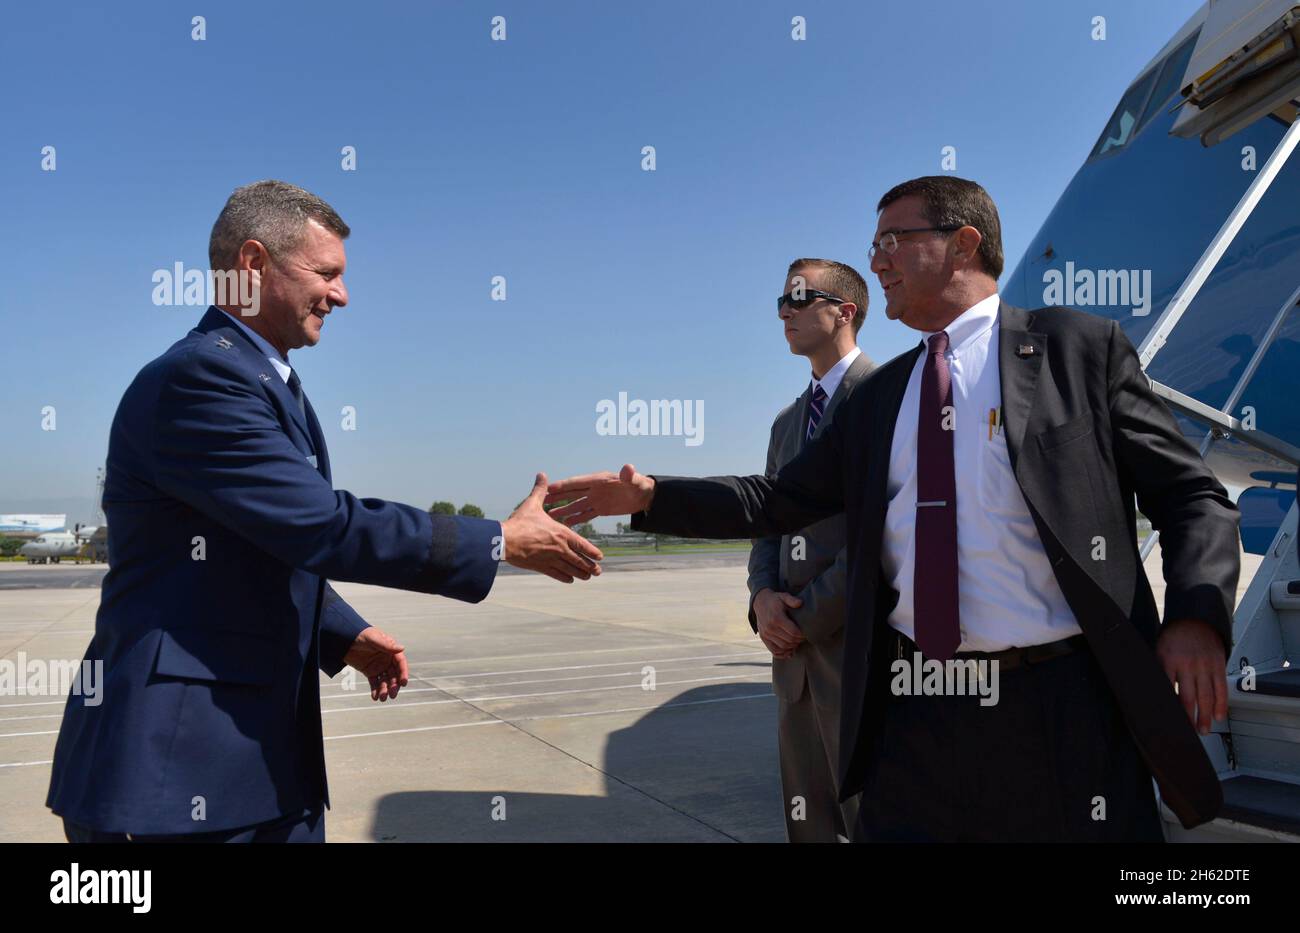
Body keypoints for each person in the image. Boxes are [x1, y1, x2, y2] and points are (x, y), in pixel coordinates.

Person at [545, 176, 1240, 842]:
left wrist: (1195, 616)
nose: (875, 262)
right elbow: (777, 499)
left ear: (963, 244)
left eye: (891, 242)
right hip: (913, 712)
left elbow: (1191, 495)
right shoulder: (884, 397)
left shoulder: (1077, 349)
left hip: (1060, 709)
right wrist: (652, 497)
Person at [48, 180, 601, 843]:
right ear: (253, 266)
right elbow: (318, 523)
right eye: (326, 273)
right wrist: (494, 541)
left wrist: (340, 632)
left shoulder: (258, 378)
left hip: (254, 772)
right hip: (179, 775)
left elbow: (259, 542)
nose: (340, 295)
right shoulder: (200, 380)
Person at [750, 258, 873, 842]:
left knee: (877, 820)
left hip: (859, 656)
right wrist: (763, 600)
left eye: (798, 299)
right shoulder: (785, 424)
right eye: (781, 302)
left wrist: (810, 614)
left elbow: (884, 531)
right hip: (792, 663)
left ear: (843, 311)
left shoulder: (885, 398)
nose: (784, 312)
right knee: (808, 826)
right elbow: (768, 524)